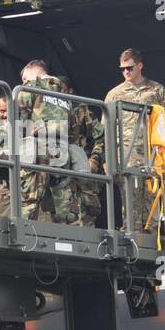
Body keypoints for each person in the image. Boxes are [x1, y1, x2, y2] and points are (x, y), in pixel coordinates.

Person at [103, 48, 165, 232]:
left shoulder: (156, 90)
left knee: (153, 201)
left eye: (130, 68)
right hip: (126, 156)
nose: (126, 72)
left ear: (140, 66)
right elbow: (105, 129)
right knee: (131, 203)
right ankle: (133, 239)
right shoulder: (115, 94)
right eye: (123, 69)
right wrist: (107, 160)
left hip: (153, 155)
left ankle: (153, 238)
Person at [16, 60, 72, 222]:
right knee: (64, 208)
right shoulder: (64, 94)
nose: (24, 83)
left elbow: (17, 125)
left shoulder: (29, 89)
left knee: (28, 203)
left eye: (25, 79)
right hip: (62, 153)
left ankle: (22, 239)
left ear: (34, 73)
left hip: (39, 154)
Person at [60, 78, 102, 227]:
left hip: (82, 174)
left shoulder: (81, 111)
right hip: (60, 174)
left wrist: (94, 159)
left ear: (70, 91)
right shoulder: (48, 111)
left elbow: (101, 138)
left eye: (62, 90)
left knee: (85, 218)